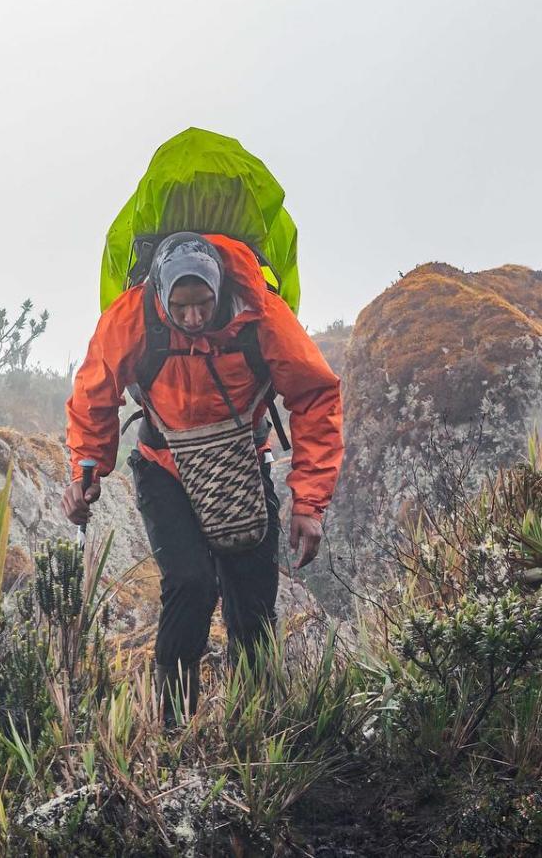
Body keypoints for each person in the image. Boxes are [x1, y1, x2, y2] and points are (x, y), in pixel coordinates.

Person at [62, 232, 343, 723]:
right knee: (190, 583)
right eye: (181, 306)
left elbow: (316, 395)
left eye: (203, 304)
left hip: (241, 464)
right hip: (163, 466)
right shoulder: (132, 317)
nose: (193, 318)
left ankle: (256, 726)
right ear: (160, 294)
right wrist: (87, 470)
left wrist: (308, 503)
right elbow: (94, 393)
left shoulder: (261, 314)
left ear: (220, 289)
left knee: (250, 599)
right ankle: (173, 728)